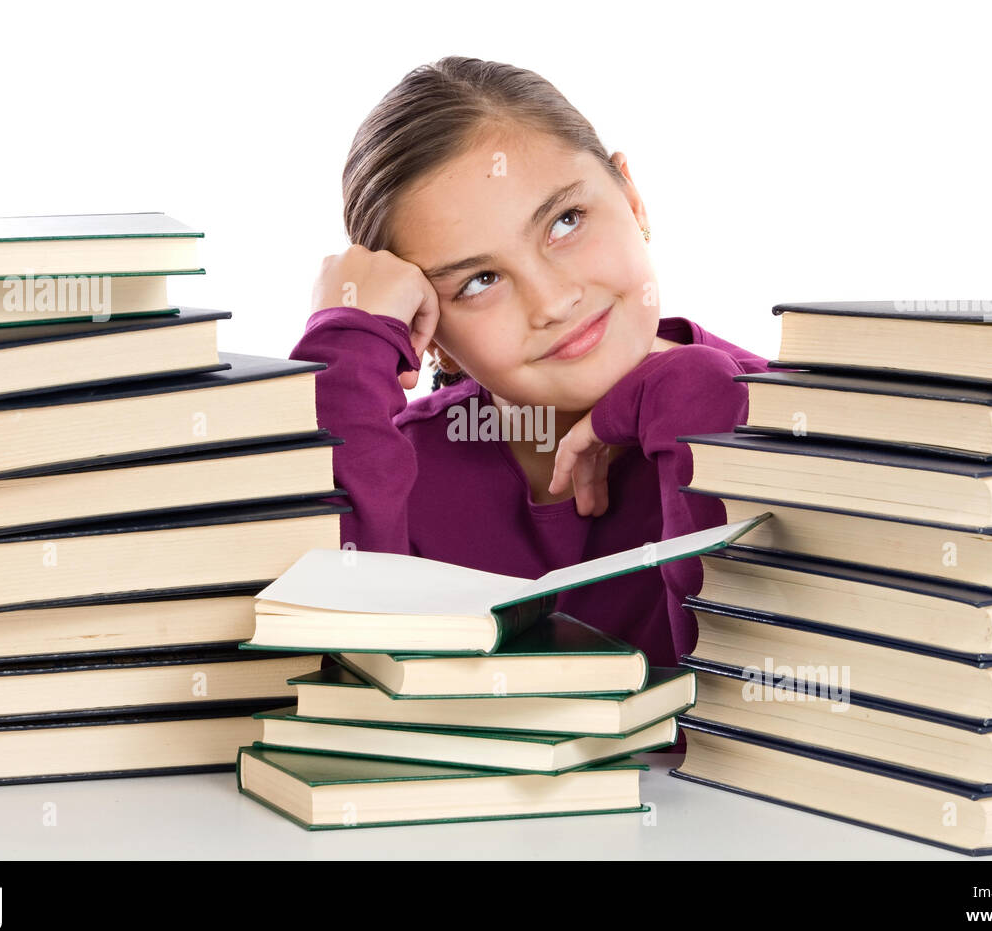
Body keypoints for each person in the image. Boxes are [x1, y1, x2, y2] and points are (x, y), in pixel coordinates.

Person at [292, 56, 775, 693]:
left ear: (632, 198)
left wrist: (690, 396)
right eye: (479, 281)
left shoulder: (781, 421)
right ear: (433, 337)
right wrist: (348, 344)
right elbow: (313, 681)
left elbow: (758, 710)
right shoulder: (388, 467)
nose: (551, 301)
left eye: (565, 222)